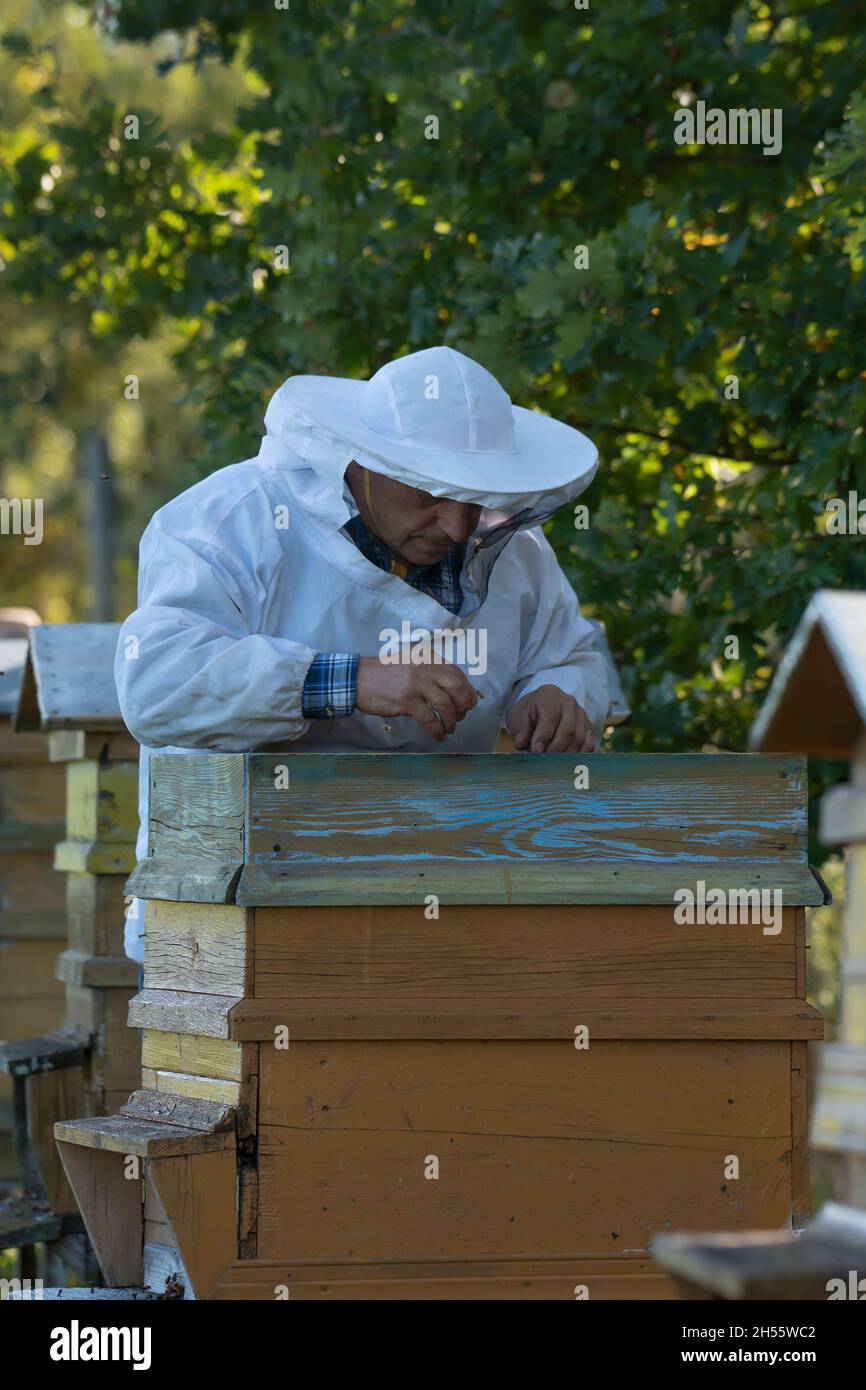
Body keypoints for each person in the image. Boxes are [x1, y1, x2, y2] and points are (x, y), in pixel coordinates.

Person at [116, 346, 610, 962]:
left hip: (446, 902)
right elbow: (156, 682)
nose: (457, 527)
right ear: (364, 465)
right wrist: (345, 681)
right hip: (229, 918)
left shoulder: (519, 555)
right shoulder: (228, 522)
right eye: (432, 494)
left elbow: (575, 654)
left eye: (475, 499)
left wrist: (560, 693)